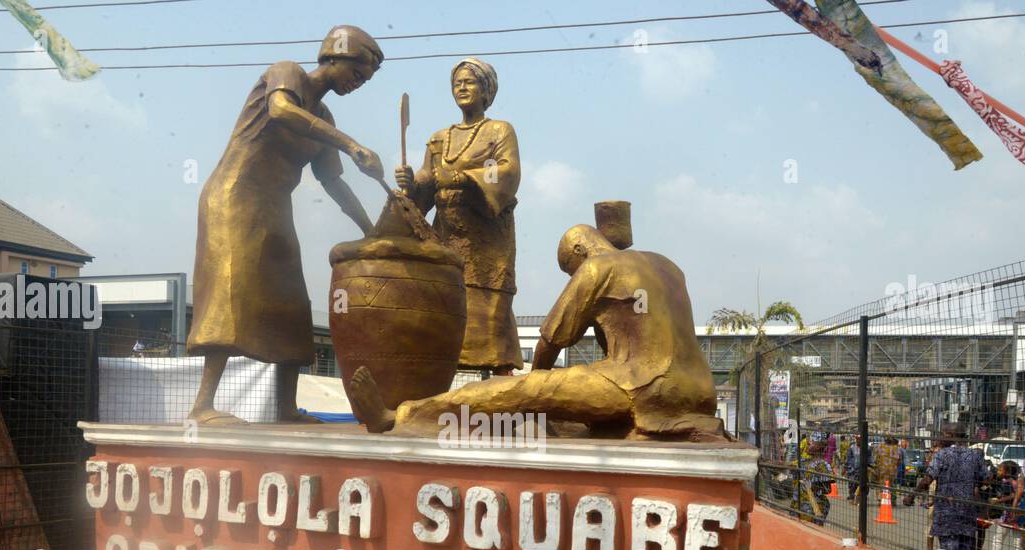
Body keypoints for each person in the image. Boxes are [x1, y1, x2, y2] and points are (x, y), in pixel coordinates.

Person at [347, 224, 721, 438]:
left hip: (642, 386)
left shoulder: (597, 268)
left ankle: (398, 416)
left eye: (570, 268)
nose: (574, 275)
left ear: (578, 250)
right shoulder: (668, 267)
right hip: (699, 393)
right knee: (571, 406)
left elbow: (550, 340)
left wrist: (536, 386)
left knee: (517, 390)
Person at [187, 25, 386, 425]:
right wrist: (351, 143)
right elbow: (281, 111)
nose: (357, 84)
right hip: (235, 197)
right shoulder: (287, 73)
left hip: (276, 207)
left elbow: (333, 181)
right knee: (231, 290)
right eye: (357, 73)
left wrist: (374, 231)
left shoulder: (324, 117)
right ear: (334, 55)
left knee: (291, 300)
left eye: (364, 80)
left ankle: (285, 407)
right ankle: (201, 407)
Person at [396, 58, 523, 374]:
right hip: (447, 238)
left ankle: (499, 387)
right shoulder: (440, 138)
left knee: (490, 316)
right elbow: (427, 182)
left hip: (488, 242)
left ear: (485, 89)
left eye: (469, 82)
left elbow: (506, 172)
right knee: (445, 310)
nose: (462, 88)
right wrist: (412, 182)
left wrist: (462, 178)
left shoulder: (499, 131)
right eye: (457, 83)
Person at [914, 422, 987, 550]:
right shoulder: (975, 455)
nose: (940, 437)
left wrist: (912, 495)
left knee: (947, 548)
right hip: (967, 510)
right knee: (966, 548)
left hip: (946, 510)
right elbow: (986, 478)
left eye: (943, 434)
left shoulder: (942, 455)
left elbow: (928, 478)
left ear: (951, 436)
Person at [977, 460, 1021, 550]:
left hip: (1008, 515)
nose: (998, 471)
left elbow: (1012, 495)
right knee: (1017, 543)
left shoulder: (1007, 482)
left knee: (998, 540)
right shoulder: (1017, 481)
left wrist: (998, 500)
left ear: (1007, 472)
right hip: (1018, 515)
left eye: (1000, 469)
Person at [872, 436, 903, 504]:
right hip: (892, 472)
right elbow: (899, 461)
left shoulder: (880, 447)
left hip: (882, 470)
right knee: (890, 485)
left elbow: (875, 458)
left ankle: (881, 500)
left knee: (881, 485)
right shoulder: (897, 449)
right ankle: (891, 500)